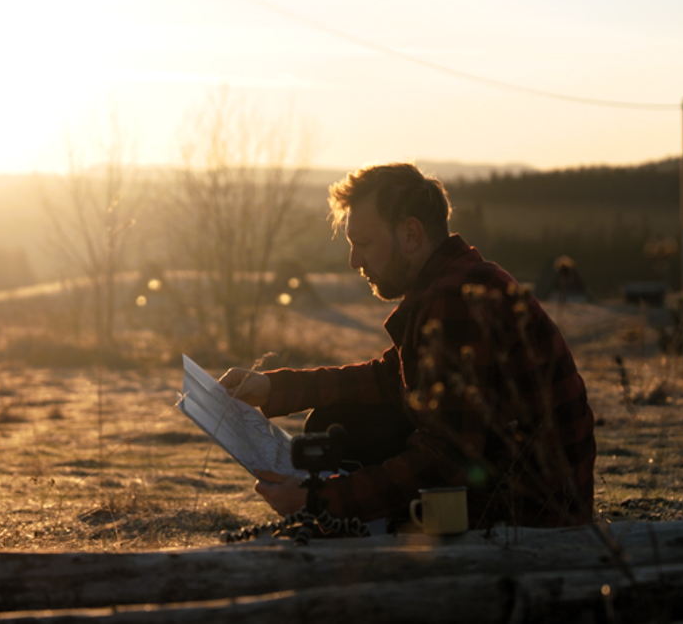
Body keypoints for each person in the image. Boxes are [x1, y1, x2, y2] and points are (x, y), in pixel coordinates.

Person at [219, 163, 596, 529]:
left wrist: (320, 500)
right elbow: (390, 378)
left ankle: (363, 529)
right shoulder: (452, 284)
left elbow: (447, 458)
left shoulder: (456, 299)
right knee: (340, 417)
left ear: (411, 235)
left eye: (364, 243)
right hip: (524, 490)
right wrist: (274, 388)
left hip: (527, 510)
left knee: (343, 428)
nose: (354, 260)